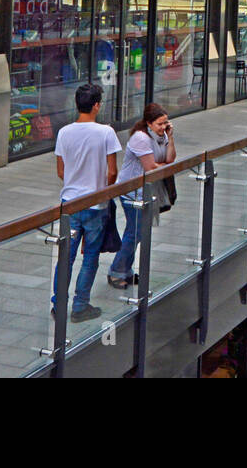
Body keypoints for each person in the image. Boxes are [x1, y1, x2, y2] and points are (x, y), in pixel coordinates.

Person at [52, 83, 121, 323]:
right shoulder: (106, 132)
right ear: (96, 105)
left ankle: (57, 305)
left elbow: (61, 171)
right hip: (95, 205)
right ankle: (80, 306)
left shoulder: (64, 132)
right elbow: (112, 173)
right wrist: (101, 190)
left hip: (69, 204)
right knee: (90, 257)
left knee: (65, 258)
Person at [109, 103, 176, 290]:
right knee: (134, 233)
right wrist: (165, 166)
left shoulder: (163, 136)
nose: (163, 127)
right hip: (132, 192)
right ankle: (117, 271)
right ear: (149, 123)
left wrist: (170, 137)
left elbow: (170, 159)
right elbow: (151, 167)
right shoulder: (141, 138)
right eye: (160, 124)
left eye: (165, 123)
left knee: (138, 233)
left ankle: (125, 270)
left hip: (146, 192)